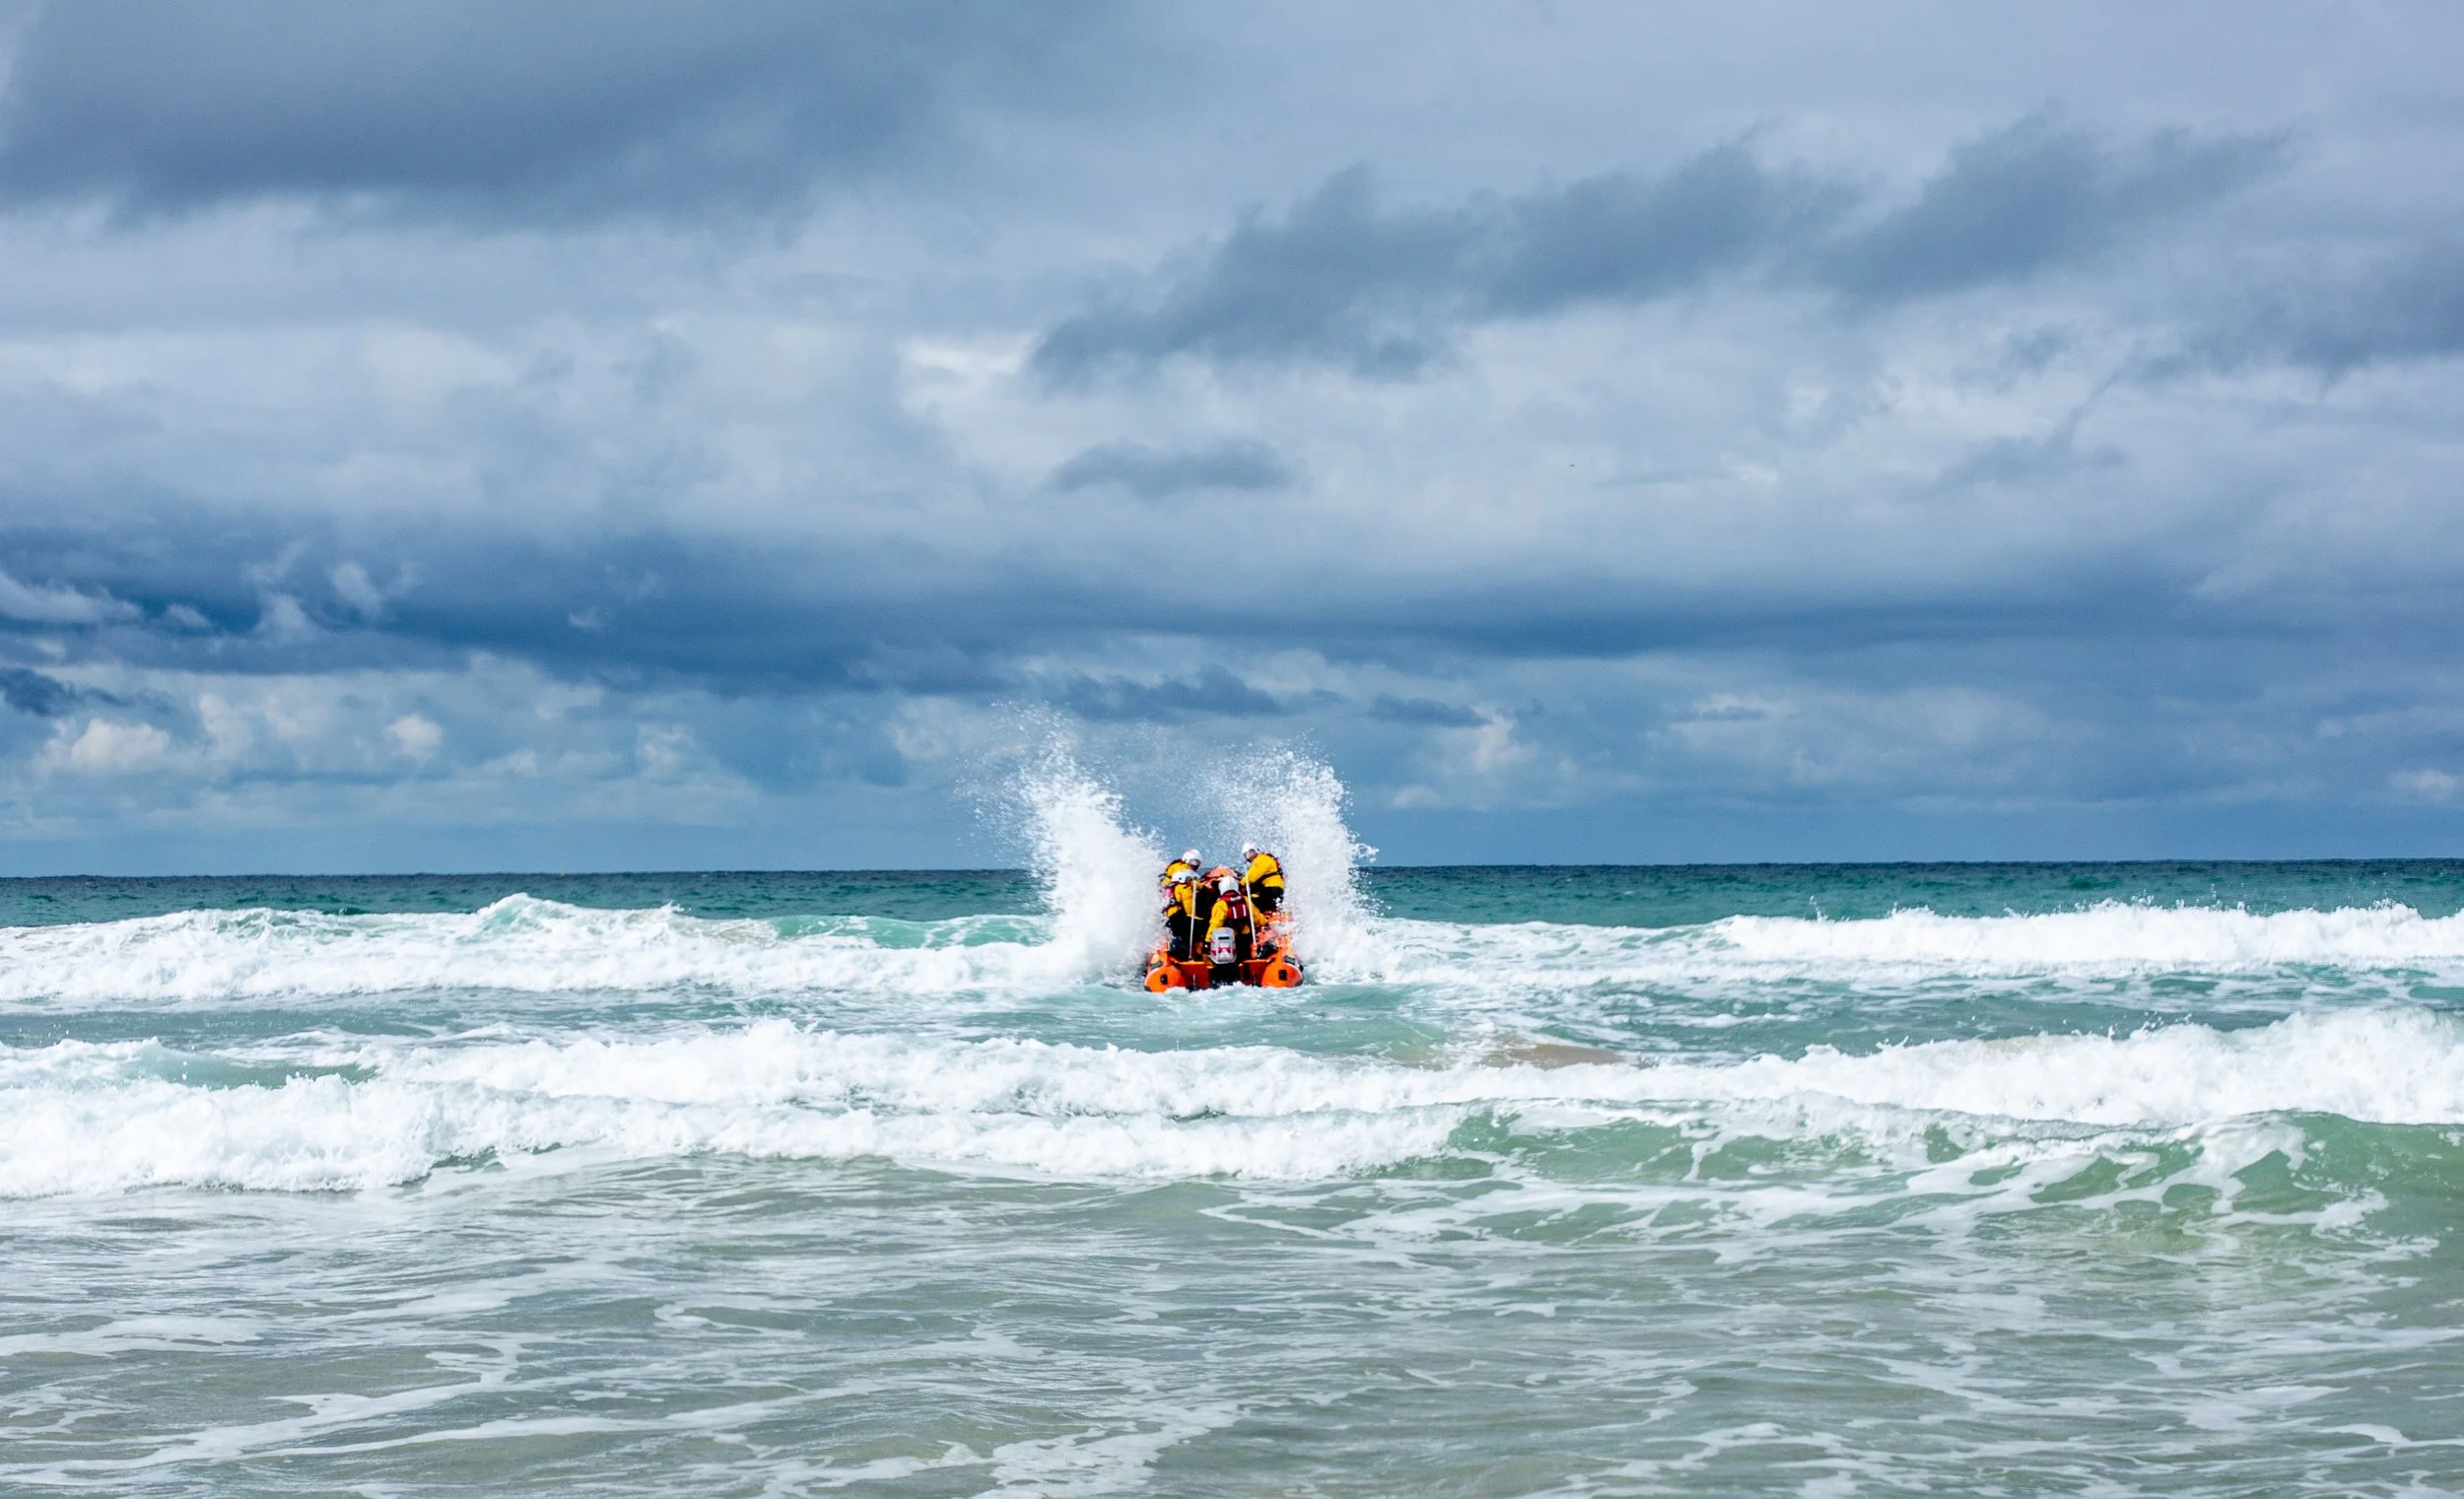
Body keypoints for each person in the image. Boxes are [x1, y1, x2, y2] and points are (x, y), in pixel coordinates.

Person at [1241, 844, 1286, 916]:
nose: (1249, 857)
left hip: (1272, 890)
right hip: (1273, 891)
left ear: (1256, 850)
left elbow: (1250, 877)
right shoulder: (1261, 860)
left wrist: (1240, 883)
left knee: (1246, 901)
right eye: (1246, 855)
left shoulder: (1262, 859)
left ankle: (1255, 918)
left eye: (1251, 852)